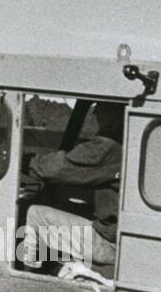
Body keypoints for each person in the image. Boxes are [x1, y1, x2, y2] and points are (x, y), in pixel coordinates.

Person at [21, 103, 124, 268]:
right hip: (117, 235)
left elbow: (58, 169)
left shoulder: (108, 146)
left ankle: (27, 275)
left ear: (115, 111)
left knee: (35, 213)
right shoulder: (123, 142)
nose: (95, 111)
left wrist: (26, 161)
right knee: (60, 203)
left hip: (108, 242)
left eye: (103, 104)